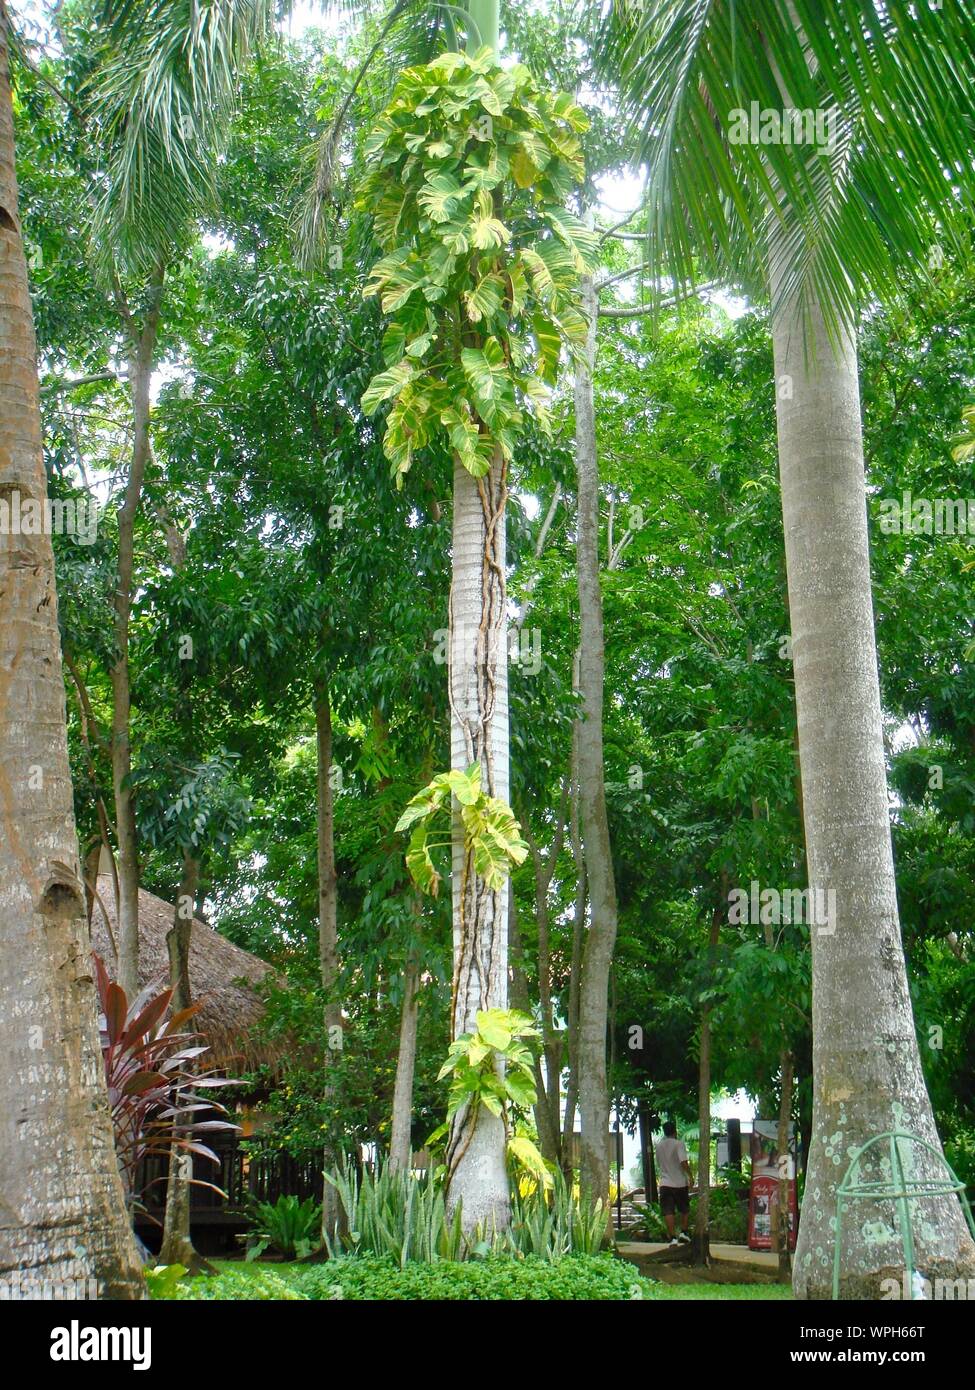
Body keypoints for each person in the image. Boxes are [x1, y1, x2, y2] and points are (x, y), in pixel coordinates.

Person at [656, 1120, 692, 1246]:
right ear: (675, 1131)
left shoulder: (659, 1146)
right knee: (684, 1208)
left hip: (665, 1182)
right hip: (679, 1182)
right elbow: (683, 1162)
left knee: (668, 1211)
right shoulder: (679, 1144)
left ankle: (672, 1238)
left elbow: (659, 1163)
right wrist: (690, 1176)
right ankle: (684, 1232)